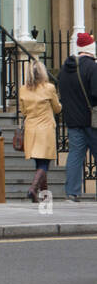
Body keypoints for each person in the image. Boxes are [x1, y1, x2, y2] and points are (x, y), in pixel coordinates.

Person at [57, 31, 97, 201]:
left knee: (75, 156)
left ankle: (72, 192)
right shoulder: (92, 68)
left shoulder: (65, 69)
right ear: (91, 48)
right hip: (92, 120)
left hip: (73, 120)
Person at [19, 59, 62, 203]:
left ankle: (43, 196)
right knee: (45, 163)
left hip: (31, 129)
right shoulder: (49, 88)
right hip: (45, 129)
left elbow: (23, 111)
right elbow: (57, 108)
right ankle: (33, 188)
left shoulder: (23, 89)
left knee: (39, 163)